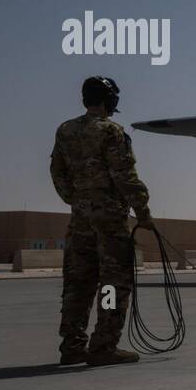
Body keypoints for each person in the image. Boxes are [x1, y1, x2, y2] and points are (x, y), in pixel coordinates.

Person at [49, 77, 154, 366]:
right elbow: (125, 176)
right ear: (110, 100)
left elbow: (57, 173)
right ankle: (103, 346)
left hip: (80, 218)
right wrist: (142, 212)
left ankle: (72, 345)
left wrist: (77, 200)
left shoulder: (65, 130)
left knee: (78, 282)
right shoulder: (111, 132)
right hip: (108, 220)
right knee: (113, 282)